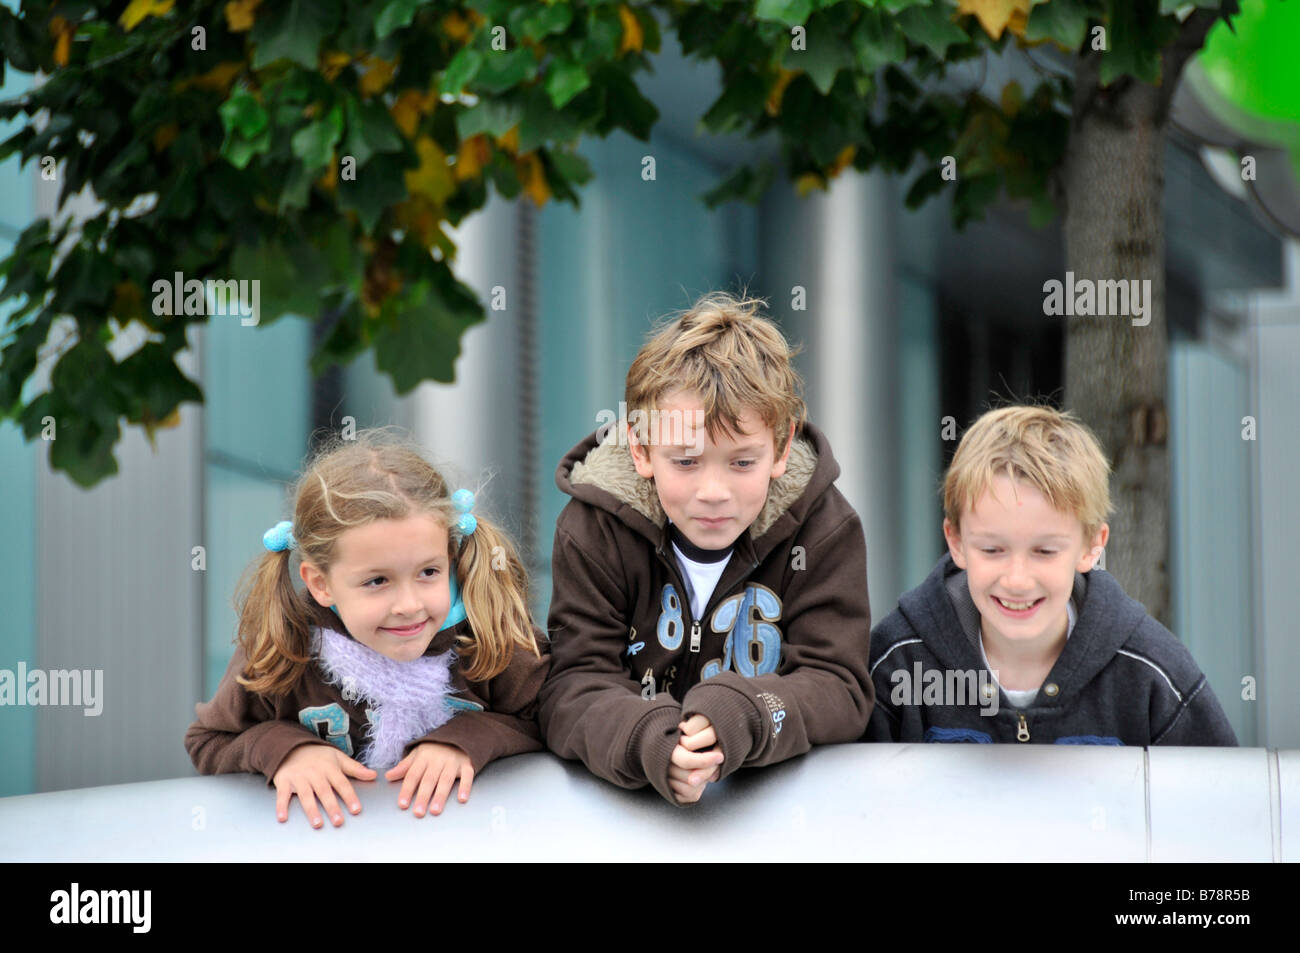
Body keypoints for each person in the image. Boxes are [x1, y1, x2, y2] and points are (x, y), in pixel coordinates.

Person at [541, 291, 875, 806]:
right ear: (640, 447)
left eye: (742, 463)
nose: (713, 491)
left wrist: (747, 714)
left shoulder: (825, 528)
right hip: (624, 818)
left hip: (782, 813)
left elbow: (840, 687)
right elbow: (570, 688)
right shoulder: (592, 529)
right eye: (687, 462)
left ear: (782, 448)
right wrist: (647, 740)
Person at [185, 430, 549, 828]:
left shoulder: (490, 635)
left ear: (450, 557)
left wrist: (468, 740)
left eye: (429, 572)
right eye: (377, 581)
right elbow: (209, 742)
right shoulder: (282, 644)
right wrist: (285, 750)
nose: (409, 605)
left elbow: (552, 717)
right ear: (320, 583)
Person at [866, 404, 1237, 745]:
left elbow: (1222, 803)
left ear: (1093, 544)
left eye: (1044, 551)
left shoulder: (1151, 673)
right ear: (956, 541)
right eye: (992, 550)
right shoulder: (898, 660)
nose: (1017, 579)